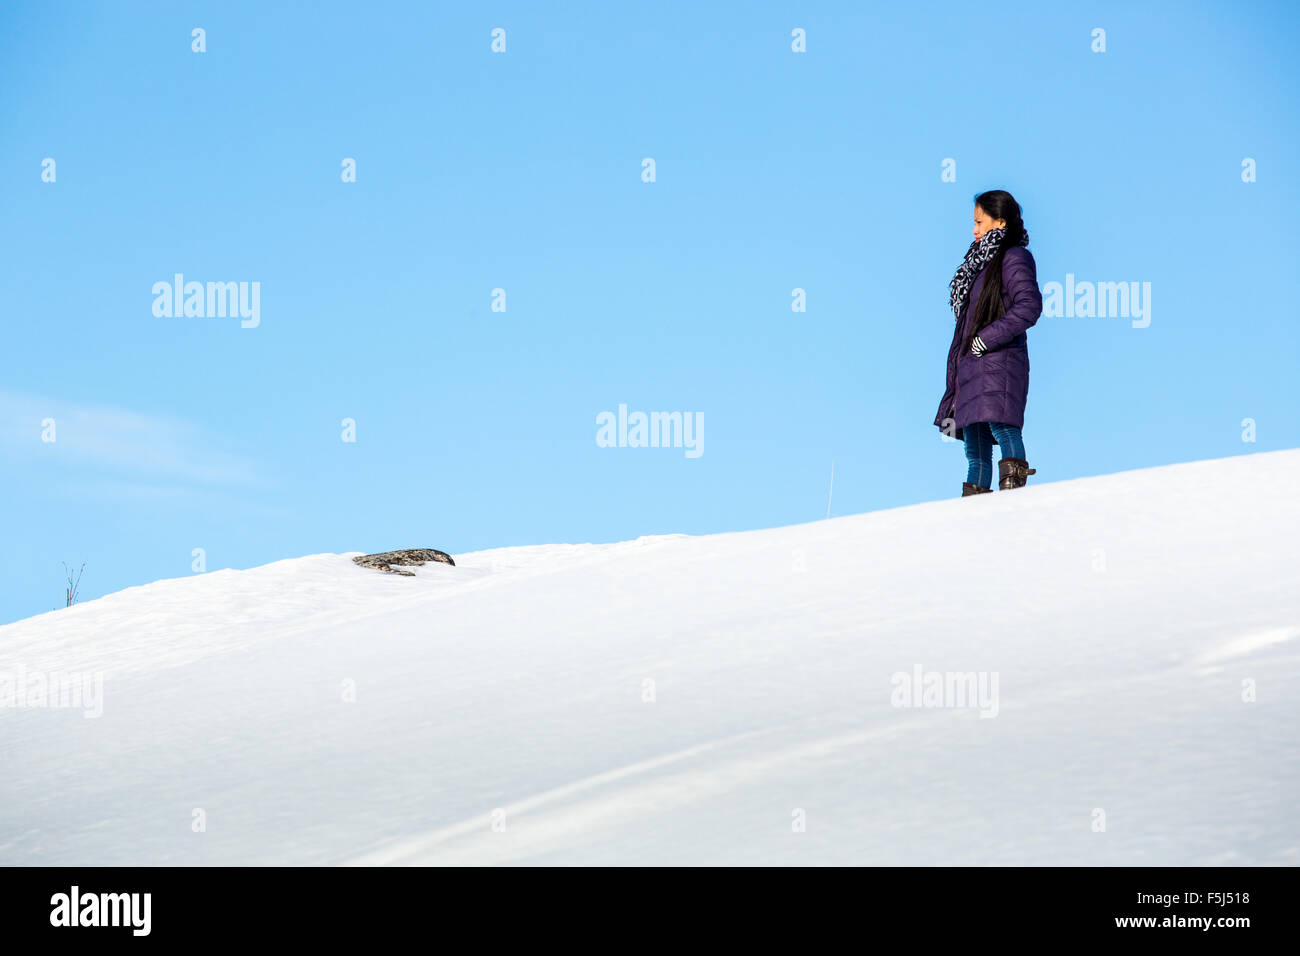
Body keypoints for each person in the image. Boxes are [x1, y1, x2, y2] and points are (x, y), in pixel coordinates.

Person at [934, 190, 1043, 495]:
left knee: (1003, 426)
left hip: (998, 363)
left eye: (979, 222)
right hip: (970, 370)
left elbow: (1029, 306)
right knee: (975, 450)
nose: (974, 229)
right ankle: (974, 511)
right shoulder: (977, 267)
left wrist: (985, 339)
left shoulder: (1014, 257)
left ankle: (1014, 496)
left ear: (1000, 221)